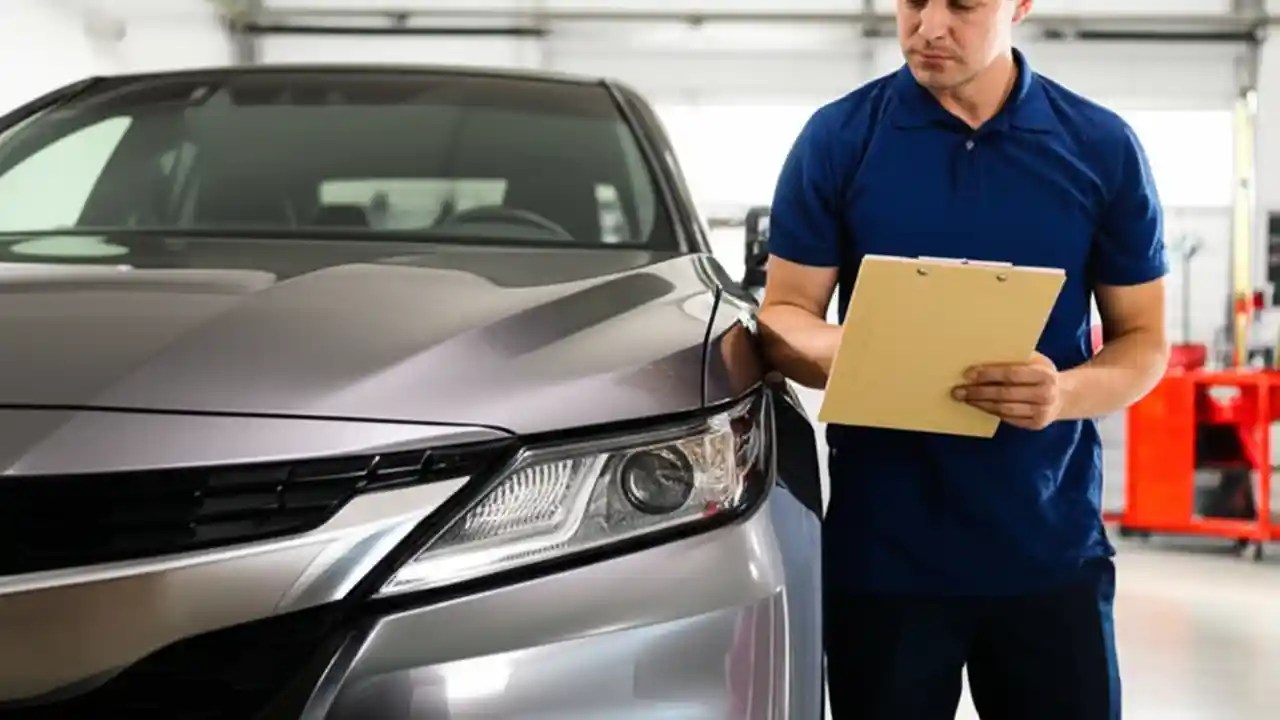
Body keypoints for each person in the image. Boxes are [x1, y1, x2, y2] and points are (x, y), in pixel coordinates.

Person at [757, 1, 1169, 719]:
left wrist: (1062, 394)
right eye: (912, 2)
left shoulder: (1101, 147)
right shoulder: (840, 139)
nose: (930, 27)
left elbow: (1144, 341)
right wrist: (862, 351)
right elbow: (782, 318)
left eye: (963, 4)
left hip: (1047, 551)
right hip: (885, 557)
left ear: (1020, 6)